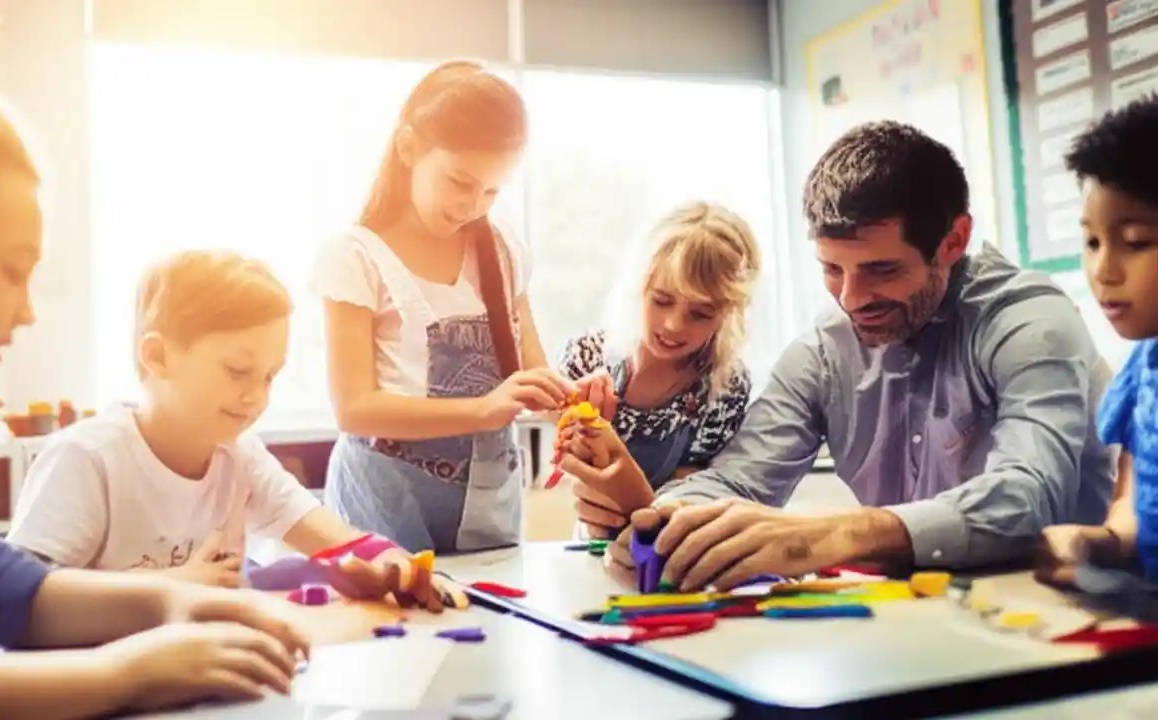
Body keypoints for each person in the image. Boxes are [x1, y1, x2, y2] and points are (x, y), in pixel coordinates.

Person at [0, 72, 369, 718]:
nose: (27, 313)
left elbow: (5, 589)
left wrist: (174, 604)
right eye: (10, 270)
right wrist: (128, 670)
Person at [579, 121, 1116, 591]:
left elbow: (1029, 497)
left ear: (953, 241)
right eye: (832, 269)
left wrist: (837, 533)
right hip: (922, 616)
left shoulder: (1031, 323)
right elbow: (739, 481)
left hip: (1069, 616)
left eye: (882, 270)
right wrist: (666, 522)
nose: (851, 299)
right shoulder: (823, 350)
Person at [8, 251, 443, 607]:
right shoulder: (87, 458)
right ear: (157, 357)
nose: (257, 397)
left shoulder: (239, 454)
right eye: (237, 371)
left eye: (270, 376)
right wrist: (175, 583)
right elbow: (18, 597)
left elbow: (330, 537)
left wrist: (394, 564)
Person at [312, 61, 574, 552]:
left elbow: (531, 376)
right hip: (386, 493)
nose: (473, 205)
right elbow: (354, 409)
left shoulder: (503, 252)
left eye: (492, 190)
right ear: (408, 148)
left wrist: (571, 404)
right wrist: (483, 410)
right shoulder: (355, 256)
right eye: (459, 181)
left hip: (488, 491)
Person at [556, 202, 759, 531]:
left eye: (701, 313)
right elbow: (565, 455)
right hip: (592, 537)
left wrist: (640, 511)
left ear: (729, 313)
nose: (674, 325)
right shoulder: (588, 355)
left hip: (669, 540)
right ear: (639, 287)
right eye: (662, 300)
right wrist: (573, 417)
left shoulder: (726, 388)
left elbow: (692, 492)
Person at [1035, 95, 1158, 587]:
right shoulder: (1143, 367)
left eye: (1135, 242)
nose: (1103, 271)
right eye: (1092, 242)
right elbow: (1133, 506)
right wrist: (1101, 542)